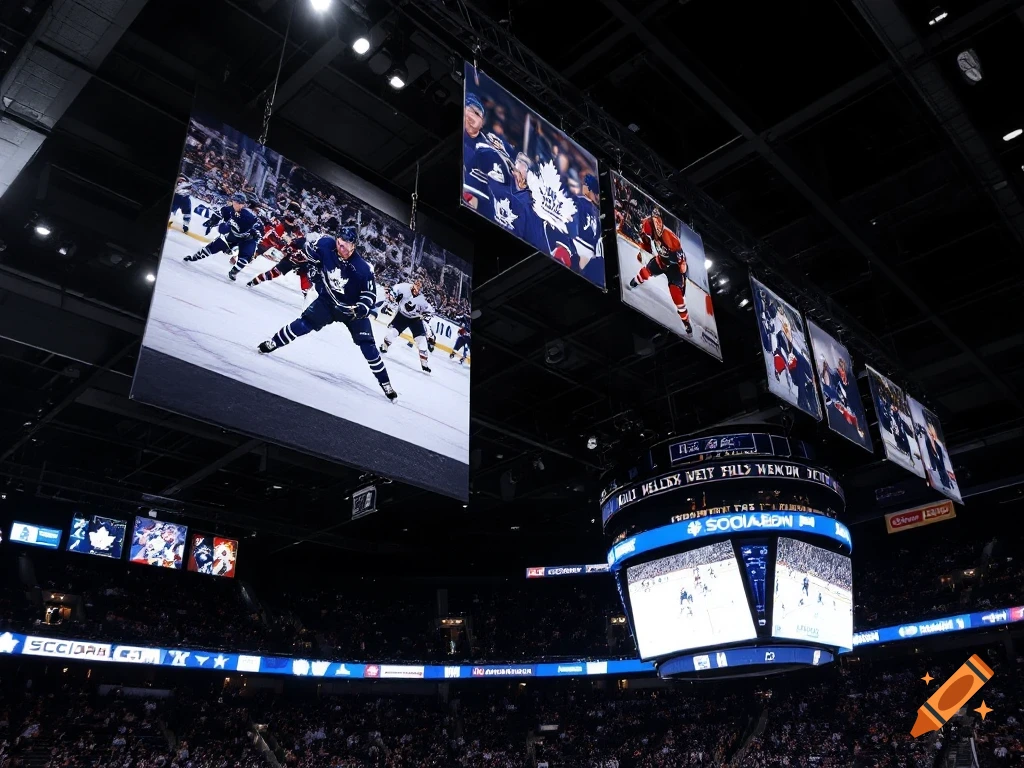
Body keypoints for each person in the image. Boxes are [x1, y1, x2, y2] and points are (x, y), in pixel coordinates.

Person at [256, 227, 397, 401]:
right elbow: (309, 252)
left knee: (369, 348)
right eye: (340, 244)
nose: (342, 249)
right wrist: (306, 259)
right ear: (337, 239)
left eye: (347, 246)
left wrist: (361, 308)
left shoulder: (363, 268)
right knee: (303, 324)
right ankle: (273, 342)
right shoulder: (325, 244)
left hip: (352, 312)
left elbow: (369, 295)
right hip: (328, 302)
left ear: (354, 246)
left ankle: (386, 384)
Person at [626, 207, 693, 335]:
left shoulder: (672, 239)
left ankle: (686, 323)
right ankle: (636, 281)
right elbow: (646, 243)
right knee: (645, 272)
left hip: (675, 268)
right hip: (661, 260)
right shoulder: (647, 225)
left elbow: (682, 264)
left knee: (676, 295)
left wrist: (682, 279)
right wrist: (643, 252)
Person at [182, 192, 262, 280]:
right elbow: (218, 215)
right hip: (232, 235)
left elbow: (256, 226)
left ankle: (233, 272)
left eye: (240, 203)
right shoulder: (227, 210)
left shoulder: (249, 215)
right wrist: (212, 222)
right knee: (213, 247)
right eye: (236, 202)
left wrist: (256, 233)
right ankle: (194, 258)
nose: (237, 204)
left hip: (247, 238)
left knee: (245, 257)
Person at [379, 280, 434, 374]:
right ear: (413, 285)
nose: (417, 290)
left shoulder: (424, 299)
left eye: (419, 289)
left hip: (415, 319)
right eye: (416, 287)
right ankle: (385, 345)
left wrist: (426, 315)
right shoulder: (404, 287)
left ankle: (424, 363)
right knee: (392, 333)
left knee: (422, 341)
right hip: (402, 315)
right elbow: (394, 290)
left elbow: (431, 311)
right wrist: (392, 296)